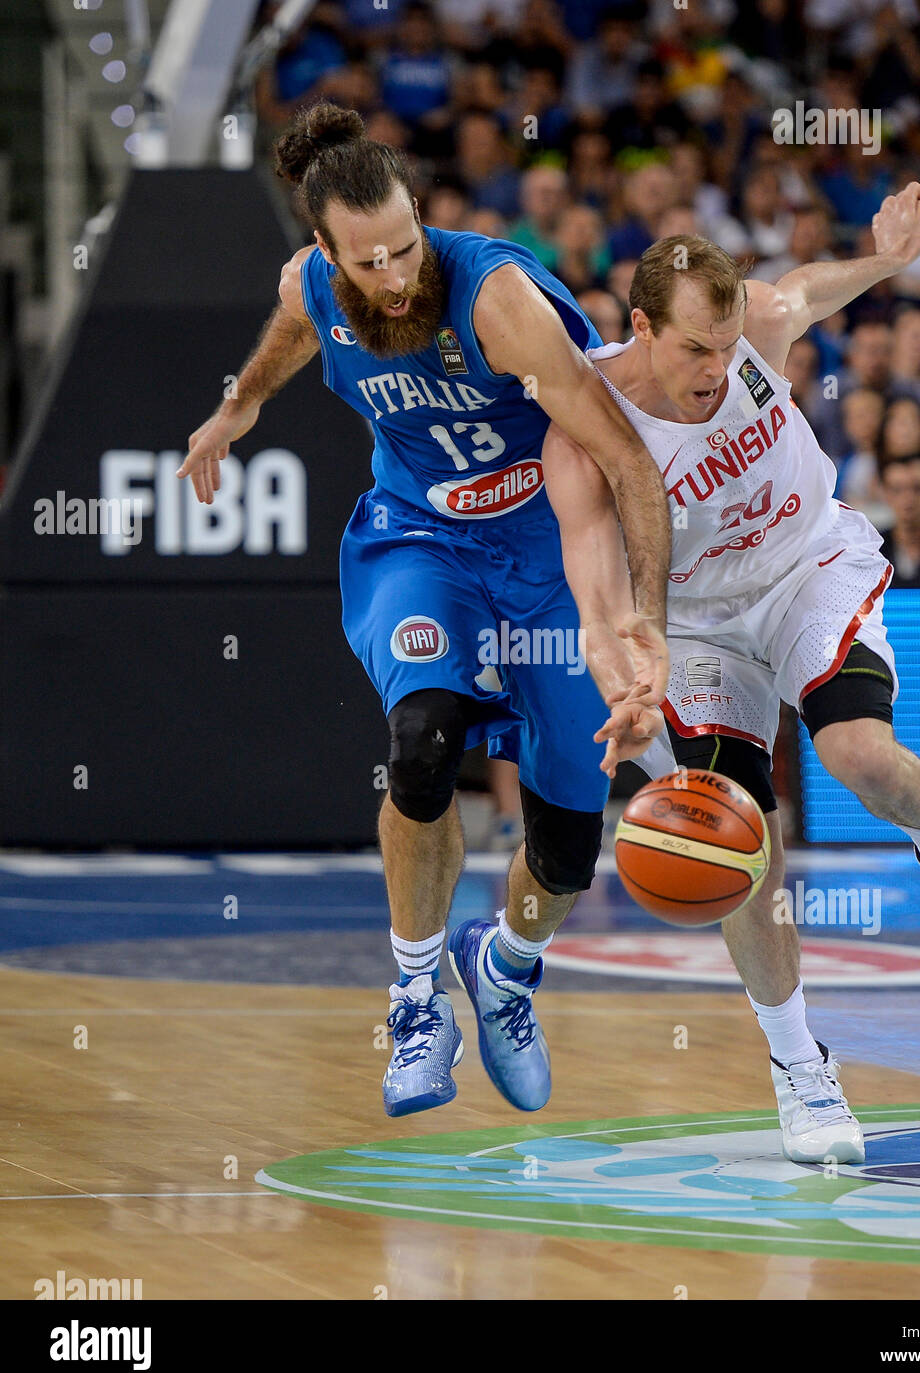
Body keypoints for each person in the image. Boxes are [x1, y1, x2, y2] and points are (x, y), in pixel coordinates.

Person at [178, 103, 672, 1120]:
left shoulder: (494, 302)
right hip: (421, 537)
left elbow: (623, 458)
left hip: (543, 545)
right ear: (327, 251)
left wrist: (641, 618)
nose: (396, 276)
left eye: (405, 247)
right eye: (368, 262)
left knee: (570, 836)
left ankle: (507, 970)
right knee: (422, 739)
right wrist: (240, 405)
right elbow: (292, 332)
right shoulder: (315, 285)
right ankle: (414, 996)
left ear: (422, 216)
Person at [541, 190, 920, 1166]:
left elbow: (807, 290)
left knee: (861, 756)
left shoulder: (751, 329)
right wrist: (626, 681)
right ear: (641, 326)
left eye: (729, 348)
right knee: (743, 844)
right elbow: (599, 599)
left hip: (809, 570)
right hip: (698, 631)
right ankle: (798, 1068)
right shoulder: (587, 436)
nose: (717, 371)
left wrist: (886, 260)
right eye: (695, 350)